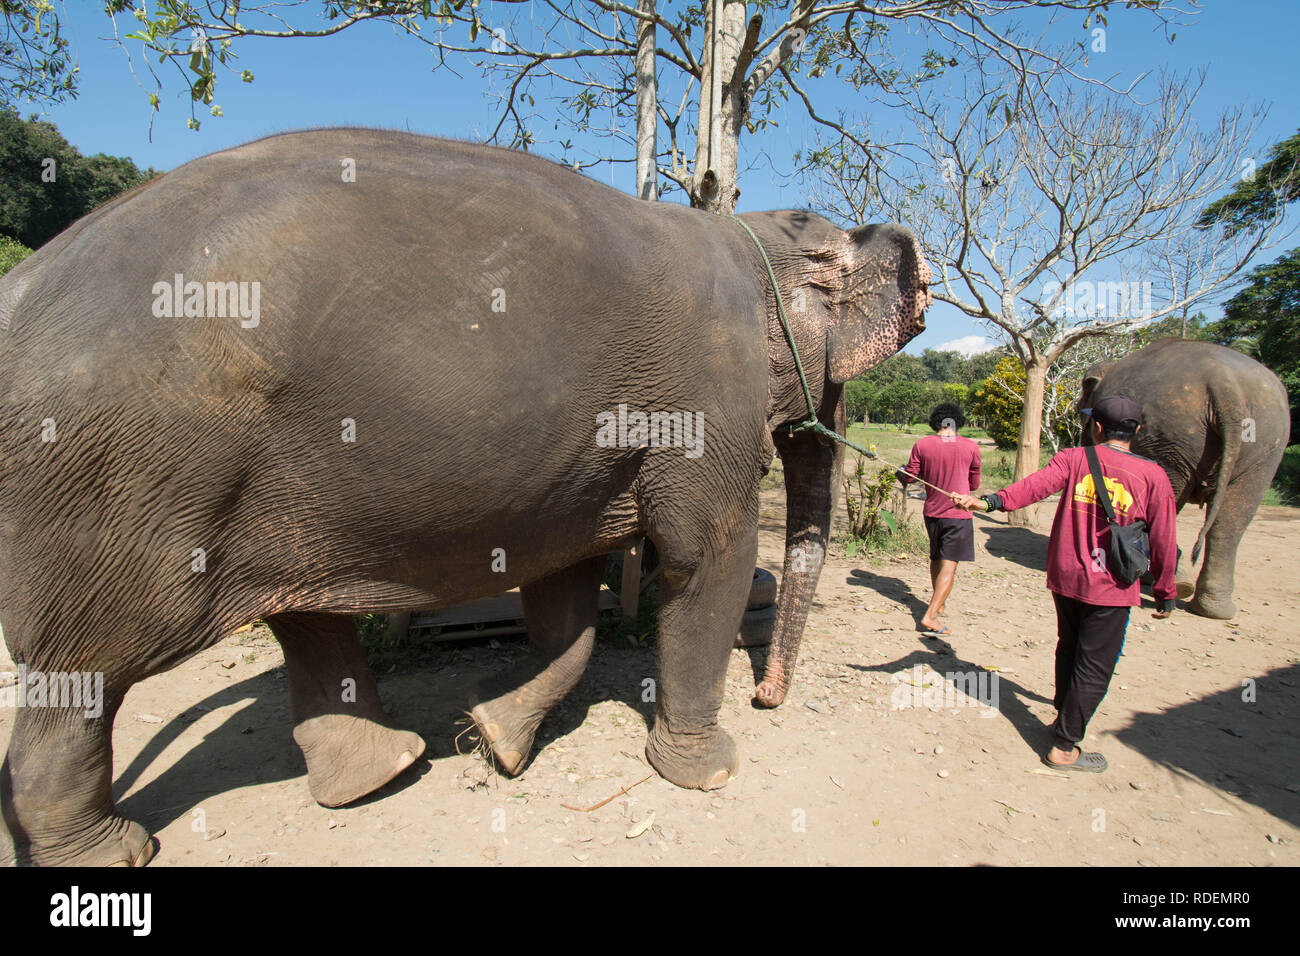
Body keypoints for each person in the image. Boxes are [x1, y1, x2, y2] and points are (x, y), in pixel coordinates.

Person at [952, 394, 1178, 773]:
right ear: (1136, 431)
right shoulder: (1153, 475)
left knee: (1069, 647)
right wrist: (1165, 591)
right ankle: (1065, 745)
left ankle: (1063, 716)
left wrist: (989, 502)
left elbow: (1033, 488)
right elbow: (1164, 538)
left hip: (1067, 576)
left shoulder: (1074, 459)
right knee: (1096, 664)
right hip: (1112, 585)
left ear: (1098, 427)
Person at [897, 403, 982, 636]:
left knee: (936, 556)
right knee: (950, 564)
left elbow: (910, 477)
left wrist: (901, 471)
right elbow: (973, 485)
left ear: (936, 422)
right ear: (957, 422)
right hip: (958, 514)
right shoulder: (971, 447)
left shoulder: (922, 445)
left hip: (932, 512)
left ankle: (939, 602)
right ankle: (931, 615)